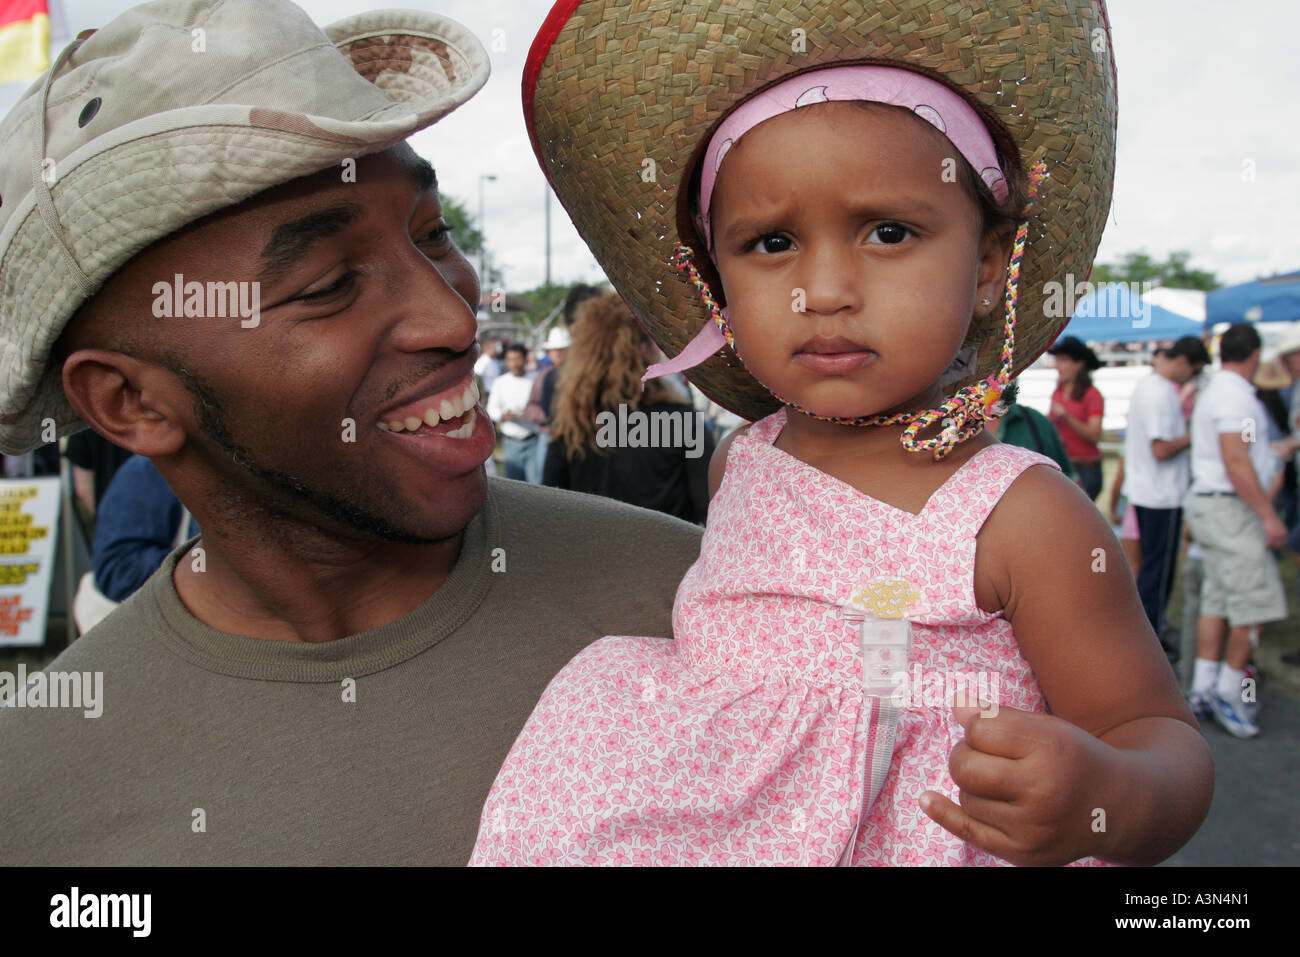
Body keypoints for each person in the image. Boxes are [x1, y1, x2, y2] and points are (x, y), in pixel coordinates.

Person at [472, 0, 1211, 866]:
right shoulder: (741, 463)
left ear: (987, 267)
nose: (823, 289)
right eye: (772, 241)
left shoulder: (1020, 515)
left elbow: (1157, 732)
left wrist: (1104, 793)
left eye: (888, 231)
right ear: (716, 281)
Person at [0, 0, 703, 865]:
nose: (452, 315)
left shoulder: (706, 609)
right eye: (329, 284)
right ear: (130, 403)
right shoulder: (34, 792)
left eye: (432, 233)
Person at [1184, 323, 1286, 739]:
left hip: (1213, 504)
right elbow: (1236, 459)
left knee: (1219, 598)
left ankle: (1205, 687)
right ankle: (1230, 692)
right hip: (1230, 507)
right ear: (1254, 355)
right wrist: (1268, 515)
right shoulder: (1234, 396)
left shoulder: (1217, 390)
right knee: (1253, 603)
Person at [543, 293, 713, 524]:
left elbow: (550, 508)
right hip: (668, 554)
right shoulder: (681, 420)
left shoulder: (573, 423)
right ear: (643, 348)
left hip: (589, 554)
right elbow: (710, 507)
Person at [1121, 335, 1209, 657]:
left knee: (1150, 570)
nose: (1192, 379)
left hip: (1148, 491)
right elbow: (1161, 449)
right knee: (1158, 574)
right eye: (1194, 371)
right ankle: (1149, 641)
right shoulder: (1160, 393)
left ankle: (1144, 635)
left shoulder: (1149, 387)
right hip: (1162, 494)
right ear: (1184, 362)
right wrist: (1195, 433)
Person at [1046, 336, 1105, 500]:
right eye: (1058, 360)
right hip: (1064, 466)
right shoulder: (1058, 392)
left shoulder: (1092, 395)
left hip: (1085, 469)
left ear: (1079, 364)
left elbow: (1095, 435)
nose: (1058, 366)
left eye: (1064, 361)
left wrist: (1067, 417)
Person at [524, 325, 571, 483]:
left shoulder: (580, 376)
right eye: (553, 350)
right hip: (548, 434)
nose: (556, 354)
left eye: (561, 349)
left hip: (575, 436)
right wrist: (551, 417)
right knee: (544, 483)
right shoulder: (543, 376)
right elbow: (530, 409)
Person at [485, 343, 539, 481]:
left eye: (518, 359)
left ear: (525, 359)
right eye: (510, 359)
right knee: (514, 486)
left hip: (533, 440)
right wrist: (503, 416)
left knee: (536, 486)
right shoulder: (500, 382)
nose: (514, 363)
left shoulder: (536, 379)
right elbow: (491, 409)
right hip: (511, 443)